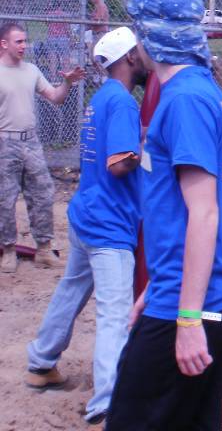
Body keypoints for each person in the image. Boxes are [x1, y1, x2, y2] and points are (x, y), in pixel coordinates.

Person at [105, 0, 222, 431]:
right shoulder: (192, 92)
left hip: (190, 304)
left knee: (129, 419)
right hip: (180, 291)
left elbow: (204, 213)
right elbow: (180, 212)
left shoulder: (186, 100)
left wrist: (187, 318)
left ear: (151, 36)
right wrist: (155, 286)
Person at [25, 27, 147, 423]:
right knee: (115, 311)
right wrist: (146, 155)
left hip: (85, 213)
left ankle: (41, 361)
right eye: (140, 51)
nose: (145, 56)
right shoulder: (124, 104)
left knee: (71, 289)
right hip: (109, 223)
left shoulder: (102, 98)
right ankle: (107, 402)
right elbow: (118, 163)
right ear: (129, 58)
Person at [0, 21, 84, 272]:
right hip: (5, 142)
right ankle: (8, 250)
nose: (24, 45)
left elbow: (56, 98)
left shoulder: (32, 70)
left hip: (31, 142)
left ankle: (44, 249)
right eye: (19, 41)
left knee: (43, 193)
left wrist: (67, 83)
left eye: (25, 41)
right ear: (4, 44)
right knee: (5, 199)